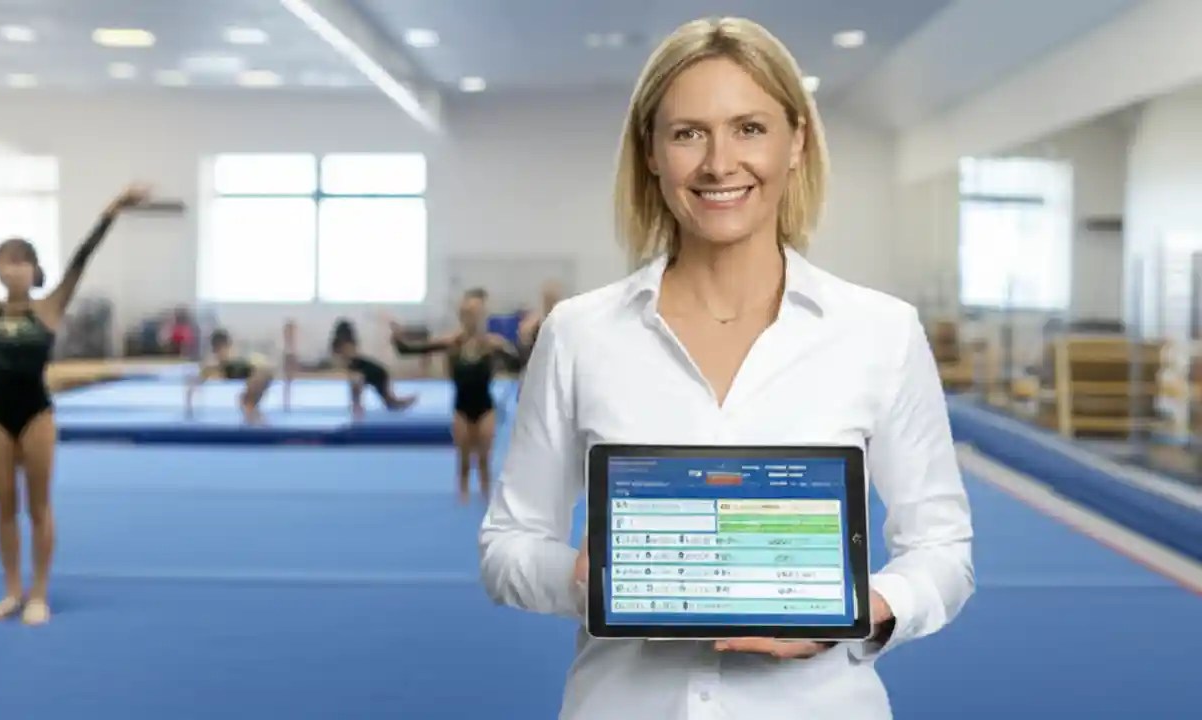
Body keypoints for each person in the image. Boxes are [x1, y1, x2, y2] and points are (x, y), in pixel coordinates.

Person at [477, 17, 974, 720]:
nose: (718, 164)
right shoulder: (581, 334)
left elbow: (942, 550)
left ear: (797, 140)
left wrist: (863, 611)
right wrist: (585, 582)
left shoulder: (880, 333)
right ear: (650, 151)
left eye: (749, 128)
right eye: (687, 133)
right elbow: (507, 546)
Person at [0, 182, 150, 625]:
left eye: (21, 263)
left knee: (38, 506)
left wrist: (112, 209)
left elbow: (82, 257)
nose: (13, 272)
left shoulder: (49, 310)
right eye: (6, 264)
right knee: (4, 507)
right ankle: (12, 591)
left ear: (33, 269)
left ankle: (39, 593)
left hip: (36, 417)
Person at [388, 289, 517, 502]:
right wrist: (397, 336)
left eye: (477, 314)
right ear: (462, 317)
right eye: (468, 315)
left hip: (485, 407)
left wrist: (514, 345)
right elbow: (409, 350)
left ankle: (486, 497)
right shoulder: (451, 343)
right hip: (461, 407)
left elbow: (519, 362)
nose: (472, 319)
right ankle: (463, 497)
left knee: (484, 458)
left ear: (482, 317)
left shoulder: (492, 343)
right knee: (464, 460)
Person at [329, 318, 417, 416]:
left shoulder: (345, 345)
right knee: (385, 399)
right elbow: (348, 359)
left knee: (358, 384)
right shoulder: (342, 344)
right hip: (373, 370)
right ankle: (359, 407)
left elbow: (350, 359)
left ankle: (359, 408)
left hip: (372, 371)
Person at [187, 329, 277, 425]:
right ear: (215, 350)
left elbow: (265, 372)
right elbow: (194, 385)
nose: (222, 352)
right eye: (218, 349)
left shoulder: (241, 365)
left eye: (223, 348)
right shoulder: (210, 370)